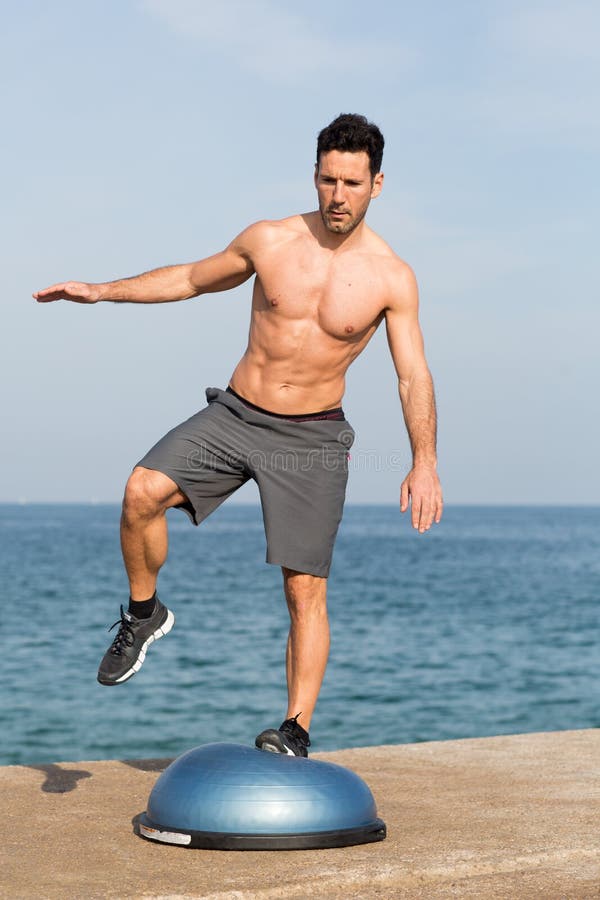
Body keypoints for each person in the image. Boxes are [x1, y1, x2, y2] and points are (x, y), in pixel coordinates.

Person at [34, 113, 443, 757]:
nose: (338, 196)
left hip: (311, 438)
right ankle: (143, 613)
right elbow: (191, 279)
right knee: (142, 490)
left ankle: (295, 729)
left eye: (352, 183)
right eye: (328, 180)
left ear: (377, 184)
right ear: (314, 175)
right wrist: (102, 291)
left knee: (304, 589)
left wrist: (424, 461)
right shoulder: (270, 240)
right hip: (236, 415)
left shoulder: (392, 277)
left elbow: (412, 373)